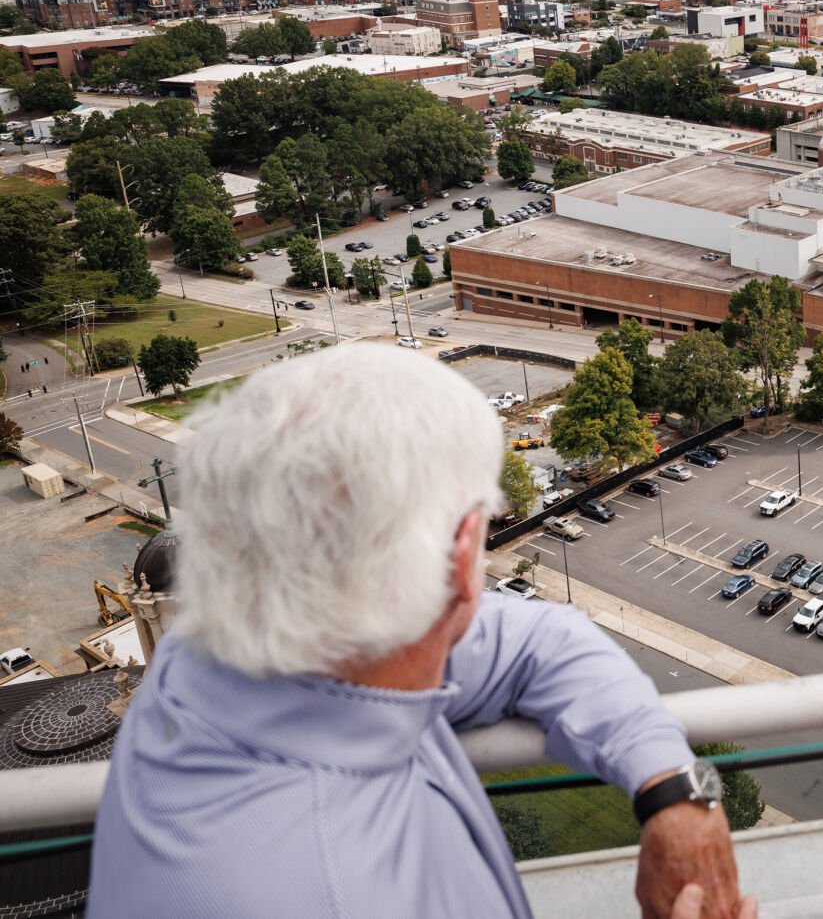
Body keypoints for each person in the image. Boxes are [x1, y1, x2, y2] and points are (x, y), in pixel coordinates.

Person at [89, 344, 753, 919]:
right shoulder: (321, 892)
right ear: (467, 555)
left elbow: (544, 643)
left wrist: (672, 789)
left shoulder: (243, 645)